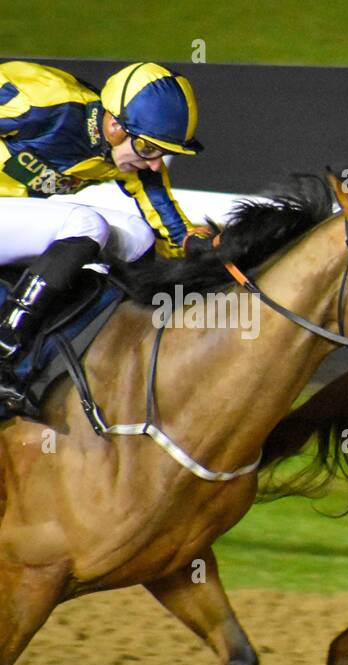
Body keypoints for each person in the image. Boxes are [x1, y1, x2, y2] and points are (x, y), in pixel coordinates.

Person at [0, 60, 210, 412]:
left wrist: (203, 247)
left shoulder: (129, 158)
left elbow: (170, 226)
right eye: (148, 148)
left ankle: (105, 353)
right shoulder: (43, 103)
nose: (156, 163)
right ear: (114, 126)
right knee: (85, 224)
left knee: (137, 236)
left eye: (164, 153)